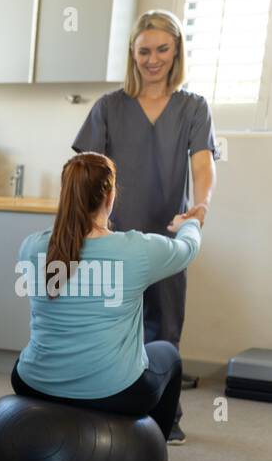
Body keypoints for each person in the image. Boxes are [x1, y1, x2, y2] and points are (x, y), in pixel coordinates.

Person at [72, 9, 218, 444]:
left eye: (162, 49)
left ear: (176, 51)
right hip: (111, 238)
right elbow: (86, 170)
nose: (152, 59)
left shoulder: (193, 107)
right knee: (112, 324)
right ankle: (106, 403)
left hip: (167, 237)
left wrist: (202, 205)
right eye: (143, 51)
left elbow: (203, 164)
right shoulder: (109, 108)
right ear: (132, 54)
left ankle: (163, 419)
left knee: (165, 328)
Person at [11, 152, 201, 442]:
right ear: (110, 196)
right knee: (168, 354)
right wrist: (190, 223)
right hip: (115, 392)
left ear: (65, 194)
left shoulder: (32, 247)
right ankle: (161, 448)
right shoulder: (136, 250)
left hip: (33, 382)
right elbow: (188, 249)